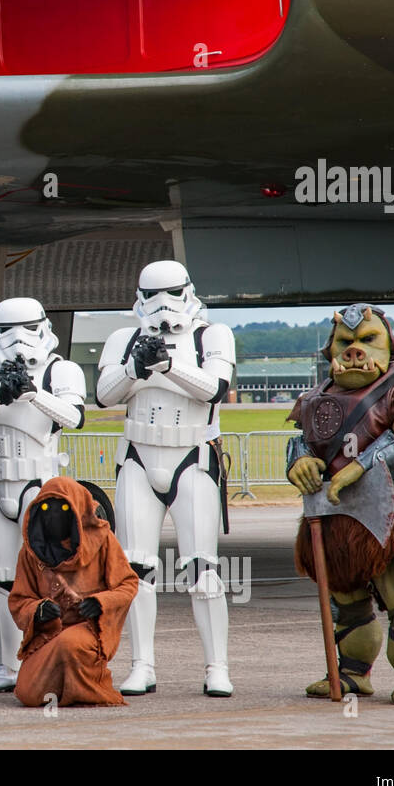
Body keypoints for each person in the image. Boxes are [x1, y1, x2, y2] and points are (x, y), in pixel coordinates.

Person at [286, 304, 394, 704]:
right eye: (346, 342)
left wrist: (356, 468)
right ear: (330, 348)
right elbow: (302, 440)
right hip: (336, 523)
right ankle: (353, 674)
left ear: (390, 347)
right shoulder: (316, 397)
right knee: (347, 605)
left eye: (368, 340)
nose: (355, 350)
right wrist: (299, 460)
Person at [95, 259, 237, 697]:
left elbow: (215, 387)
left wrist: (165, 366)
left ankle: (217, 667)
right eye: (152, 295)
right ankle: (142, 665)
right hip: (139, 459)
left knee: (204, 569)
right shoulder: (124, 338)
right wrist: (135, 369)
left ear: (188, 292)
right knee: (136, 569)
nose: (162, 305)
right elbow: (103, 395)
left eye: (172, 293)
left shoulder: (211, 334)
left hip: (192, 458)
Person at [0, 297, 86, 693]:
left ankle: (51, 660)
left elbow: (75, 416)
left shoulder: (60, 369)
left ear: (44, 327)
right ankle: (6, 666)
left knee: (52, 574)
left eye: (28, 328)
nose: (18, 339)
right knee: (0, 578)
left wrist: (32, 393)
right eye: (8, 330)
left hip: (39, 483)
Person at [9, 477, 139, 707]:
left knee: (71, 644)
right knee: (27, 693)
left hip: (89, 627)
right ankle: (65, 685)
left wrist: (100, 603)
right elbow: (19, 599)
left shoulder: (103, 540)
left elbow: (128, 584)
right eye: (46, 508)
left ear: (77, 510)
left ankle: (92, 687)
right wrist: (37, 611)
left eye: (64, 508)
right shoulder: (30, 553)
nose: (52, 516)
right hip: (51, 632)